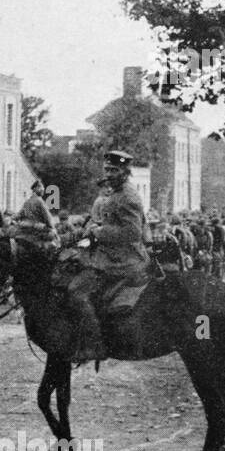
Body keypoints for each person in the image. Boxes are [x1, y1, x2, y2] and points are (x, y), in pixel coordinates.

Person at [62, 150, 148, 363]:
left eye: (114, 170)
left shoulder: (127, 196)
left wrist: (98, 232)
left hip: (124, 259)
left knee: (76, 291)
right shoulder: (114, 194)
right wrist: (95, 226)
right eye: (107, 169)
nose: (109, 174)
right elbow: (110, 221)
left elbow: (132, 232)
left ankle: (94, 345)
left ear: (125, 172)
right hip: (110, 254)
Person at [14, 179, 57, 247]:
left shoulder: (27, 202)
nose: (43, 190)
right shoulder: (40, 201)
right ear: (36, 189)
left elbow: (19, 214)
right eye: (41, 187)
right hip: (36, 231)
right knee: (53, 237)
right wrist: (53, 228)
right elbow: (48, 219)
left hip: (25, 231)